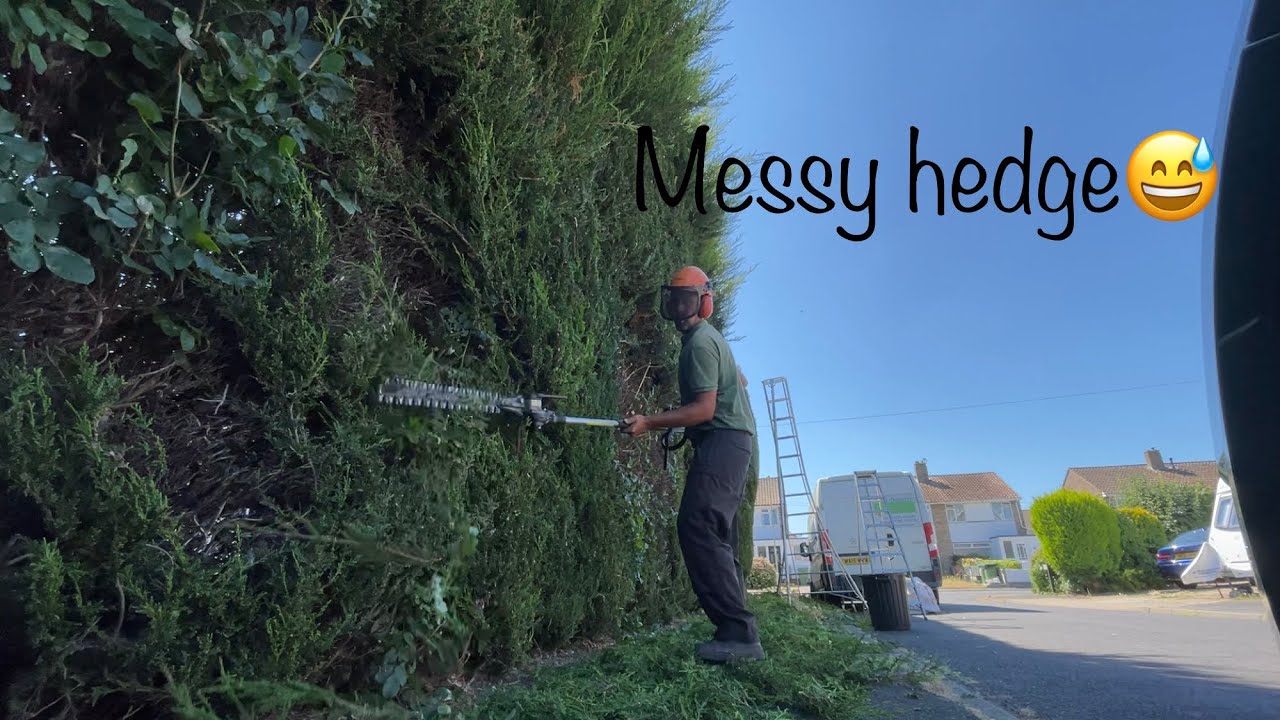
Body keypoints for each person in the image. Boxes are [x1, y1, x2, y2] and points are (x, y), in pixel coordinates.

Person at [619, 265, 763, 663]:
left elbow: (703, 409)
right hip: (733, 441)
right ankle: (741, 629)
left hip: (723, 439)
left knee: (698, 525)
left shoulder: (700, 343)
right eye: (675, 300)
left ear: (705, 302)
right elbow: (739, 381)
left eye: (687, 300)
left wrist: (649, 422)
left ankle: (738, 634)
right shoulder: (709, 341)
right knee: (720, 536)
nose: (680, 308)